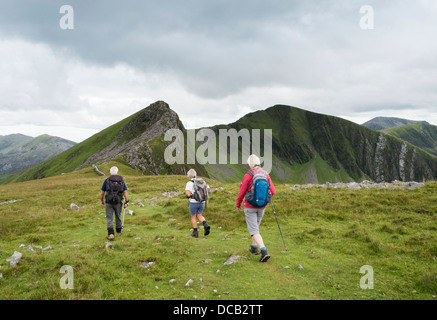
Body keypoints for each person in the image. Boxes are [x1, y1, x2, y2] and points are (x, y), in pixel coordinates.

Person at [236, 154, 276, 262]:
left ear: (250, 164)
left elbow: (242, 192)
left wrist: (238, 204)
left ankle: (264, 251)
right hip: (262, 206)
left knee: (254, 230)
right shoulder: (265, 174)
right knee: (256, 228)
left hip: (250, 207)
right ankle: (254, 248)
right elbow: (273, 191)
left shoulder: (248, 175)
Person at [100, 166, 129, 241]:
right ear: (117, 172)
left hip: (108, 202)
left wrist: (102, 201)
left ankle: (111, 234)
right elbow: (125, 191)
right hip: (118, 202)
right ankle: (119, 231)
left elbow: (102, 192)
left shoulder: (107, 180)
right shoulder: (121, 181)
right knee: (118, 216)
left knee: (109, 218)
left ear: (110, 172)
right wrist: (127, 201)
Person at [185, 169, 211, 238]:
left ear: (189, 176)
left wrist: (189, 196)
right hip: (202, 202)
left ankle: (195, 232)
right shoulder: (202, 182)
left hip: (193, 202)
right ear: (195, 175)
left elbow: (188, 194)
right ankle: (205, 224)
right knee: (199, 215)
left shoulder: (189, 183)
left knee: (193, 217)